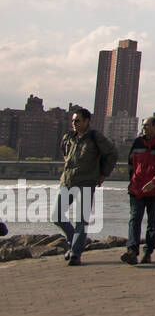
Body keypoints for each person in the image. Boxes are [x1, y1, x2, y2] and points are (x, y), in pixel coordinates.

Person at [55, 106, 117, 266]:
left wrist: (103, 173)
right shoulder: (68, 137)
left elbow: (112, 153)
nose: (74, 123)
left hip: (86, 183)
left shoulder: (95, 137)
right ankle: (74, 241)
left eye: (78, 121)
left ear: (86, 121)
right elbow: (65, 154)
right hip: (67, 182)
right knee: (56, 216)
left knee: (81, 220)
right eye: (73, 121)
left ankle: (75, 254)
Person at [121, 116, 155, 265]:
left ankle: (148, 252)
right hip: (136, 189)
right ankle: (132, 251)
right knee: (134, 219)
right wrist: (133, 179)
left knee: (152, 222)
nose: (144, 128)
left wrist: (154, 181)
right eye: (143, 125)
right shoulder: (137, 142)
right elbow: (130, 163)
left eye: (147, 125)